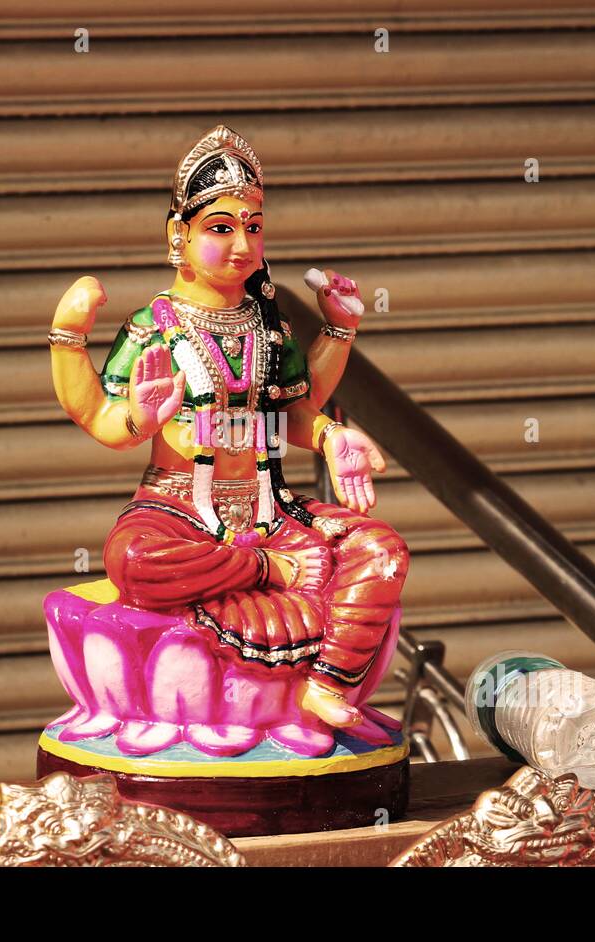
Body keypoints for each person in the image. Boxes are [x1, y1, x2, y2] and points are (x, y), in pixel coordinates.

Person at [48, 126, 408, 730]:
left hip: (271, 511)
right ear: (179, 235)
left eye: (254, 227)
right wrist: (78, 349)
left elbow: (294, 408)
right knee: (132, 560)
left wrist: (331, 426)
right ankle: (263, 574)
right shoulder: (153, 327)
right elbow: (103, 420)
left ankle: (326, 683)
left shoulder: (268, 325)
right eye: (220, 228)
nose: (242, 245)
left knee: (382, 550)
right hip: (178, 512)